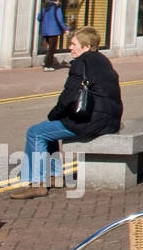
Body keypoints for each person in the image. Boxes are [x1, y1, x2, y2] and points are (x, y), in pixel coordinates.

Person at [13, 26, 122, 199]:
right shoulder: (102, 60)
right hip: (109, 119)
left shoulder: (81, 63)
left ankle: (37, 183)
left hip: (90, 120)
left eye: (74, 44)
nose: (70, 48)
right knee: (49, 129)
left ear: (86, 46)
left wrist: (53, 115)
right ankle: (55, 176)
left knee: (35, 132)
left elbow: (68, 96)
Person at [37, 0, 67, 71]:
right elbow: (60, 20)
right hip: (54, 31)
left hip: (45, 31)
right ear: (58, 1)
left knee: (49, 48)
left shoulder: (45, 7)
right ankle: (48, 65)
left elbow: (39, 17)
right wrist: (65, 29)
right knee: (52, 49)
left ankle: (46, 62)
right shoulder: (57, 8)